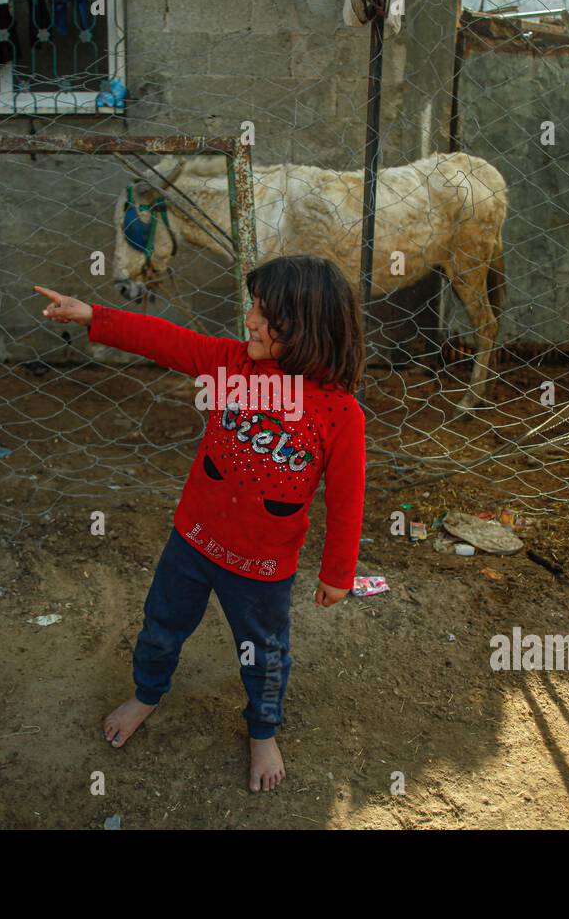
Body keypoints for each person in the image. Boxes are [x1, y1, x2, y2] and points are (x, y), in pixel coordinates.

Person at [35, 254, 366, 791]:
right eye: (253, 309)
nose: (250, 321)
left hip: (262, 567)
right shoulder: (231, 364)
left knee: (263, 654)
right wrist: (92, 315)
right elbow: (164, 339)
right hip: (192, 542)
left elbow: (348, 499)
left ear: (308, 328)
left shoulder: (339, 412)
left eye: (266, 316)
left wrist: (338, 572)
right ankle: (146, 694)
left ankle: (262, 731)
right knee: (161, 627)